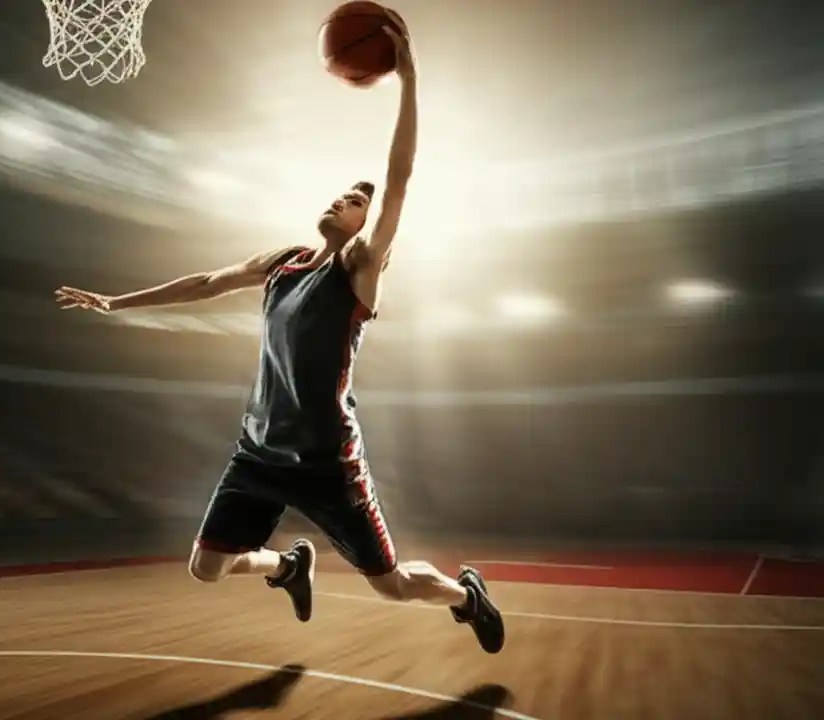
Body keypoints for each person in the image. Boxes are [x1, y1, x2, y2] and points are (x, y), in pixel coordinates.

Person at [53, 10, 503, 654]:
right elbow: (207, 281)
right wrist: (115, 302)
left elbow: (398, 177)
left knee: (393, 585)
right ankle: (286, 566)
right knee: (205, 567)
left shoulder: (360, 271)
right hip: (258, 454)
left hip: (328, 465)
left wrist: (408, 80)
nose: (340, 198)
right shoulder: (282, 264)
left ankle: (466, 595)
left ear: (365, 226)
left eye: (354, 199)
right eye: (340, 191)